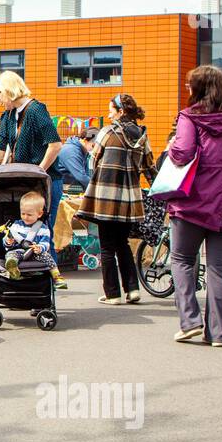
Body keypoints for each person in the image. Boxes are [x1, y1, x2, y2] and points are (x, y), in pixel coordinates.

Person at [164, 65, 222, 348]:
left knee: (180, 260)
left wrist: (170, 147)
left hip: (194, 199)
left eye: (190, 85)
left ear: (199, 88)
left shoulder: (189, 117)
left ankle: (190, 321)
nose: (187, 90)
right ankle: (217, 334)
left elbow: (182, 153)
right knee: (220, 268)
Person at [0, 71, 65, 277]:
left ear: (8, 91)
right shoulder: (8, 115)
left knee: (43, 234)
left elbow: (55, 145)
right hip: (23, 182)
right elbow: (1, 145)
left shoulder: (36, 110)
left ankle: (47, 289)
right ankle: (27, 284)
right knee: (19, 233)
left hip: (44, 182)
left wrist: (39, 171)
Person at [78, 95, 156, 304]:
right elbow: (150, 168)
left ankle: (112, 294)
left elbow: (93, 161)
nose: (109, 113)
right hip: (129, 198)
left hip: (105, 196)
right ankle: (132, 290)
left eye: (111, 109)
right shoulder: (141, 135)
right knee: (123, 243)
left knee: (106, 246)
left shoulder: (107, 132)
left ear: (121, 111)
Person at [0, 190, 63, 286]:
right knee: (10, 255)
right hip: (18, 251)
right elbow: (6, 240)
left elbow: (46, 242)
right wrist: (9, 241)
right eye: (23, 213)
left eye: (29, 215)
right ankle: (13, 269)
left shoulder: (42, 228)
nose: (25, 217)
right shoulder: (16, 225)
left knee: (48, 257)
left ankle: (56, 277)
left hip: (34, 253)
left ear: (39, 214)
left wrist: (40, 247)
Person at [57, 126, 99, 191]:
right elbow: (81, 177)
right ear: (85, 140)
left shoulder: (83, 149)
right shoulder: (71, 152)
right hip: (61, 185)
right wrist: (97, 189)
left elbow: (85, 173)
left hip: (69, 183)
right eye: (93, 145)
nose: (95, 149)